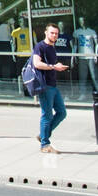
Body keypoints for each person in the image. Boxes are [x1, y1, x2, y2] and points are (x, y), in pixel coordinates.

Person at [32, 22, 71, 153]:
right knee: (47, 115)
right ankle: (44, 144)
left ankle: (43, 135)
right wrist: (54, 66)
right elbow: (37, 64)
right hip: (45, 86)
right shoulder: (40, 46)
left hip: (53, 85)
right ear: (46, 32)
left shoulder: (52, 47)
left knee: (61, 113)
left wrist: (56, 66)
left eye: (56, 33)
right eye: (52, 33)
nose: (54, 35)